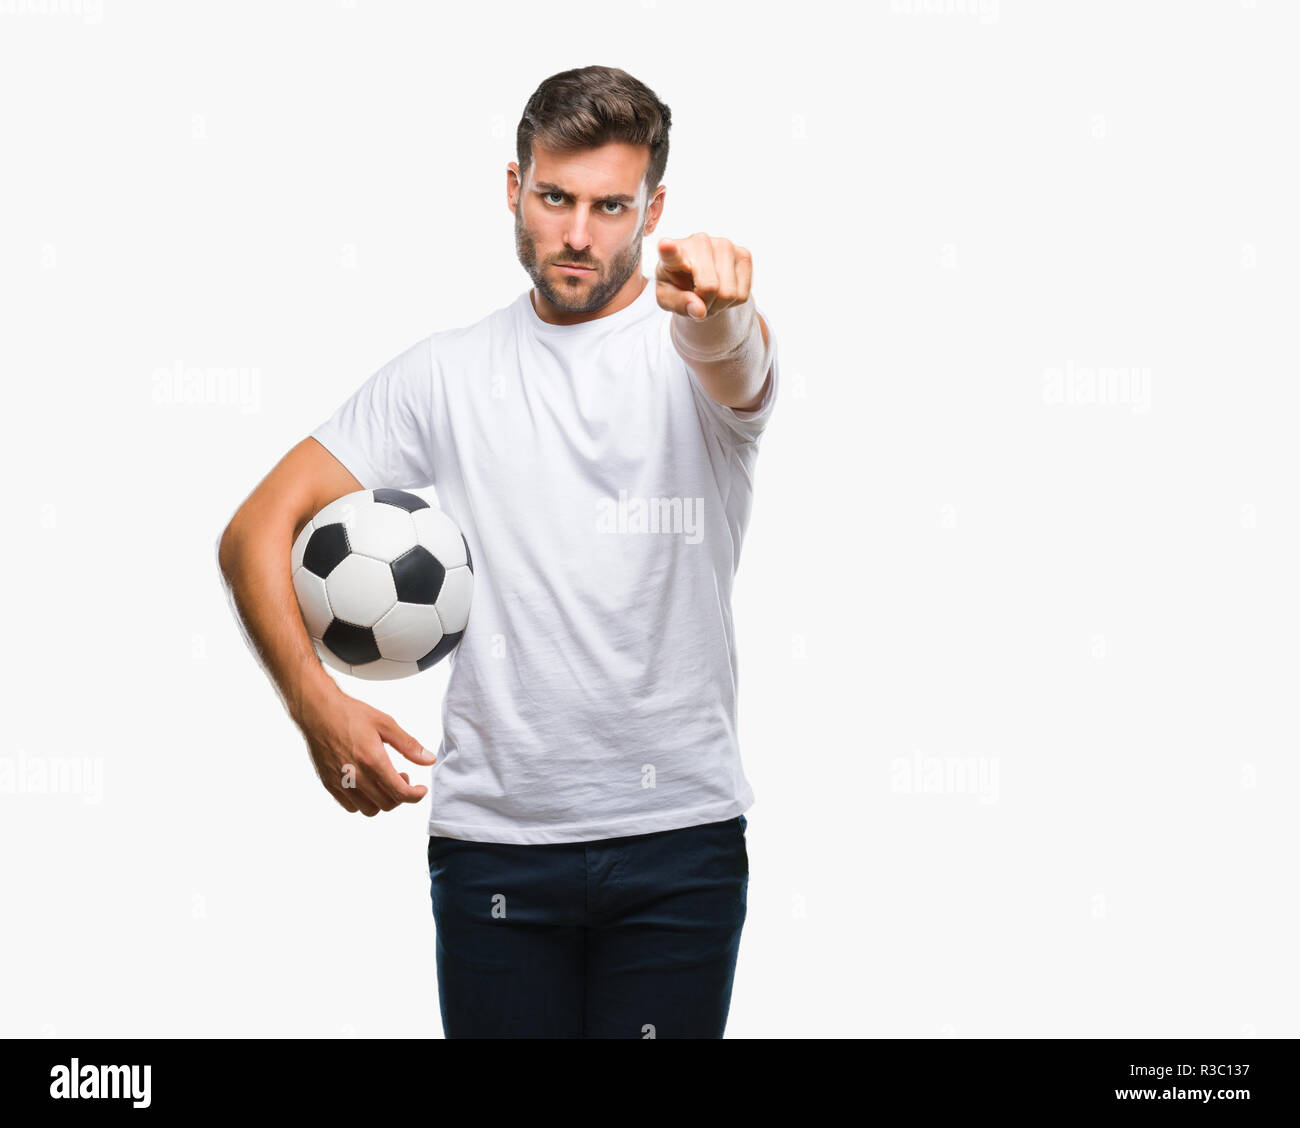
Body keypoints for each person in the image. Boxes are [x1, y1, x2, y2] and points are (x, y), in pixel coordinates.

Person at [217, 65, 780, 1038]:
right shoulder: (446, 374)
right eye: (556, 197)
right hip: (494, 849)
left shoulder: (691, 348)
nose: (577, 234)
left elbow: (737, 360)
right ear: (514, 187)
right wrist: (319, 705)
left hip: (677, 843)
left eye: (612, 206)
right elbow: (254, 529)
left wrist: (723, 307)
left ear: (653, 208)